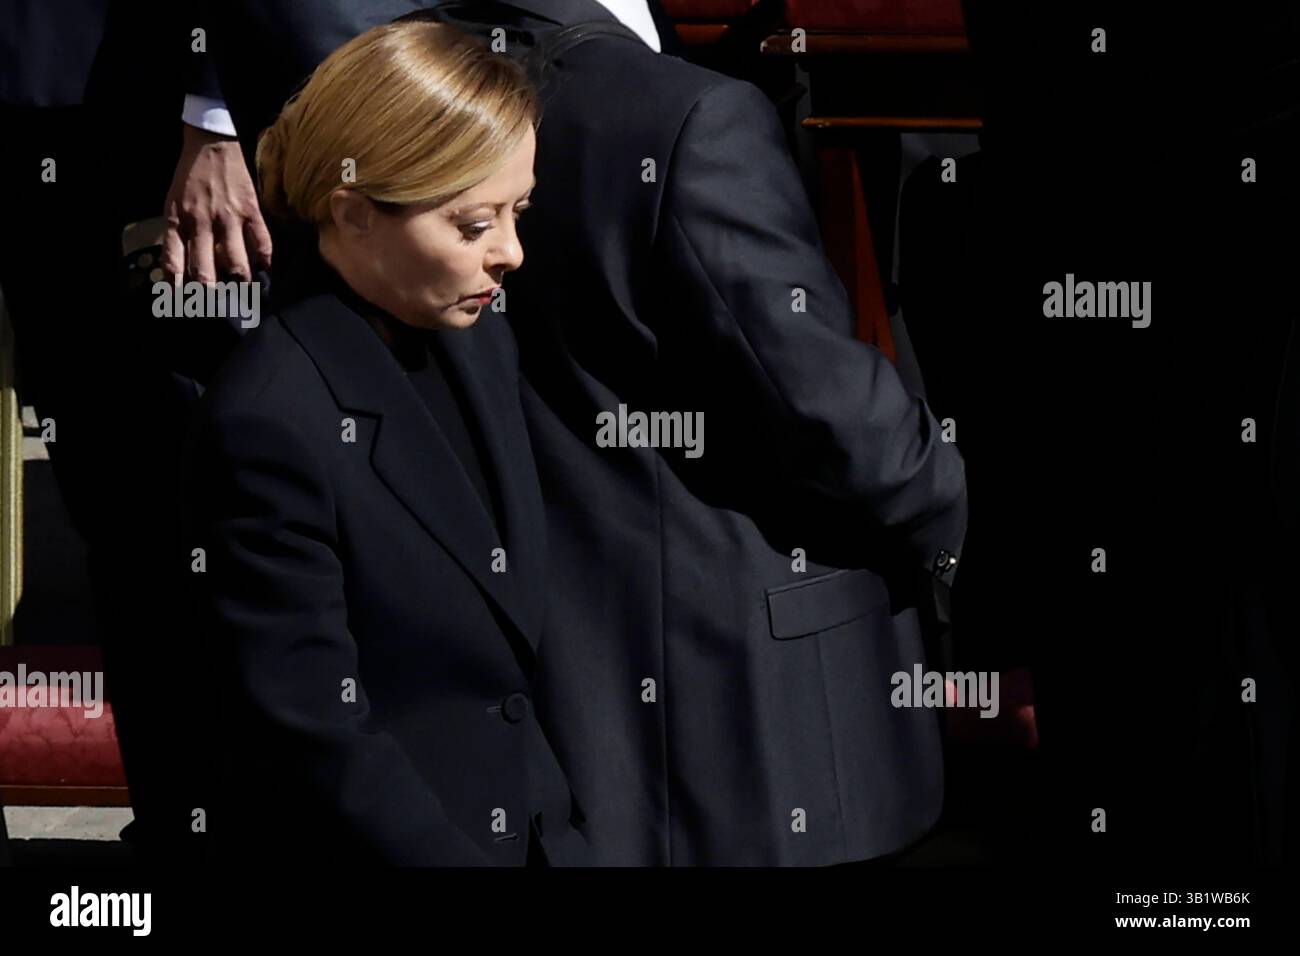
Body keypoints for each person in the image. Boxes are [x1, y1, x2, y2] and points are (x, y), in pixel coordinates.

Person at [180, 19, 588, 865]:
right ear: (354, 212)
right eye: (474, 224)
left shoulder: (476, 339)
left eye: (519, 212)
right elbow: (314, 736)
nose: (510, 252)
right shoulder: (270, 419)